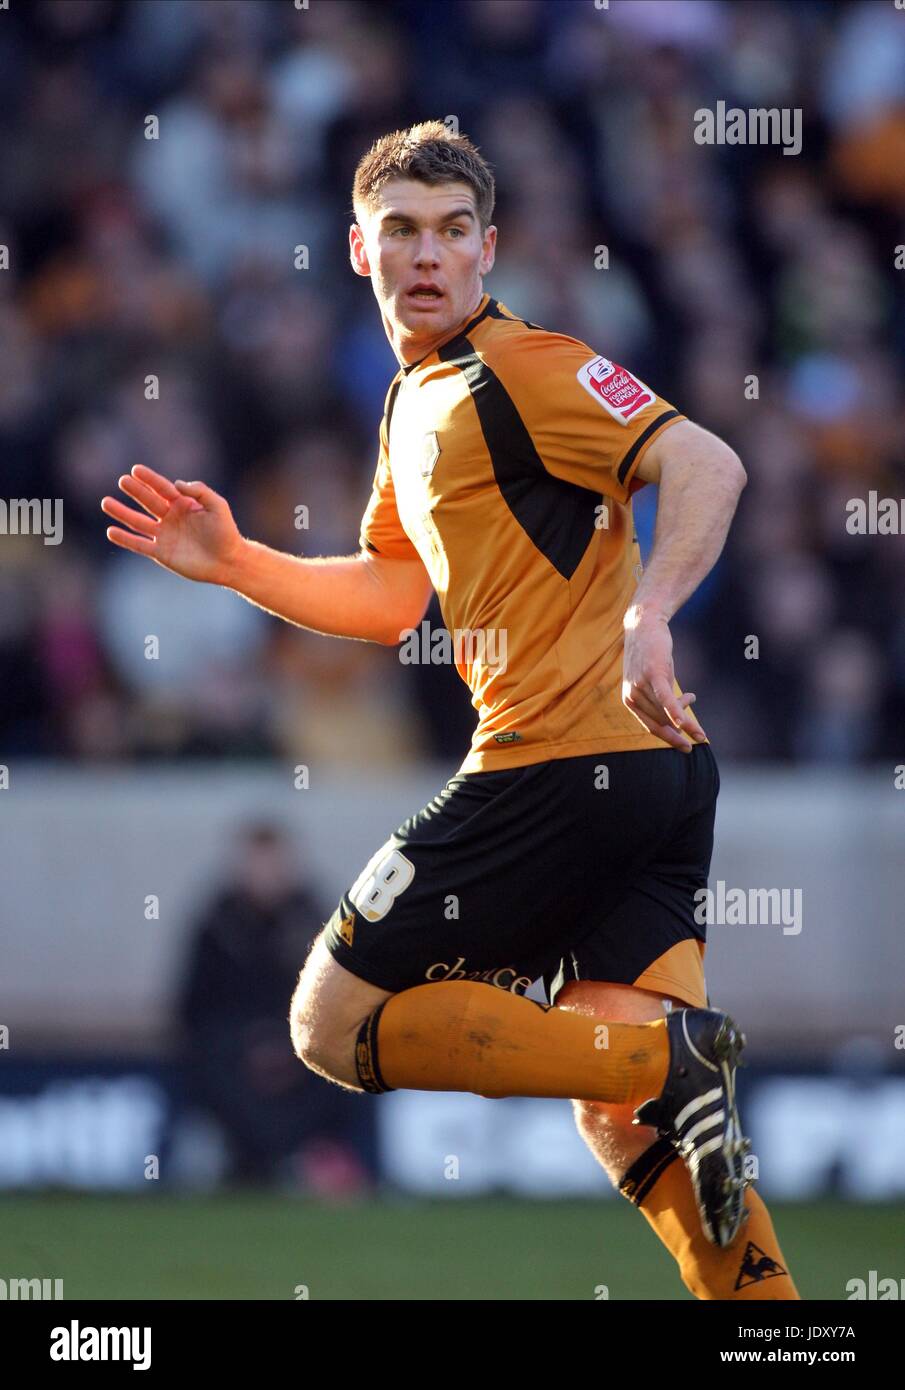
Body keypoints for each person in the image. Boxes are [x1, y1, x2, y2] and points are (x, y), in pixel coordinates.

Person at [102, 121, 798, 1299]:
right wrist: (235, 564)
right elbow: (387, 599)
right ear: (360, 253)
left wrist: (653, 612)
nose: (427, 254)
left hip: (559, 766)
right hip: (654, 782)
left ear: (489, 249)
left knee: (329, 1021)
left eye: (451, 231)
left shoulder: (522, 368)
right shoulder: (410, 404)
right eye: (401, 231)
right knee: (630, 1123)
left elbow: (707, 463)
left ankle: (664, 1056)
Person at [176, 822, 373, 1192]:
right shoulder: (216, 926)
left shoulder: (318, 921)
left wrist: (286, 1044)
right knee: (210, 1068)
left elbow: (341, 996)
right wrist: (248, 1043)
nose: (266, 875)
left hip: (301, 1051)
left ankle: (314, 1158)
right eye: (258, 863)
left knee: (346, 1064)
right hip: (233, 1054)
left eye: (273, 863)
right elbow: (193, 1008)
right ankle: (235, 1157)